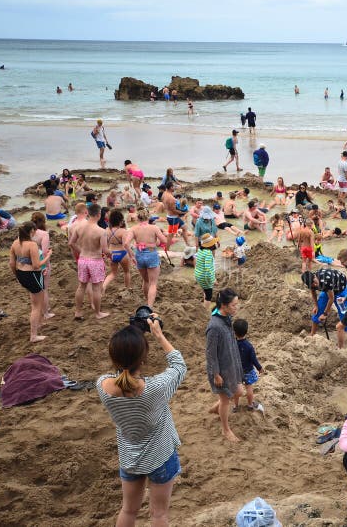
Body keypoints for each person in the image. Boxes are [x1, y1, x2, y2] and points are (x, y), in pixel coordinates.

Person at [97, 319, 186, 527]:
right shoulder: (155, 388)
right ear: (144, 359)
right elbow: (179, 365)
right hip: (161, 456)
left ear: (113, 358)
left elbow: (119, 378)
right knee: (159, 515)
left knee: (128, 510)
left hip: (130, 457)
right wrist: (159, 335)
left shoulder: (102, 385)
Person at [206, 288, 244, 442]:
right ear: (224, 305)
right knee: (225, 400)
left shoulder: (227, 318)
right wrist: (216, 374)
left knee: (239, 391)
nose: (236, 307)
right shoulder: (214, 327)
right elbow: (210, 354)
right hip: (220, 370)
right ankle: (225, 430)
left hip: (230, 365)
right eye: (234, 305)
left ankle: (216, 408)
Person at [9, 222, 52, 343]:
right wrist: (48, 256)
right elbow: (36, 265)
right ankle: (33, 335)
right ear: (32, 231)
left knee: (34, 302)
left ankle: (38, 324)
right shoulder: (32, 245)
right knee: (37, 306)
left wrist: (17, 276)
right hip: (32, 275)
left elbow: (12, 263)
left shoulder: (15, 243)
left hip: (21, 274)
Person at [69, 203, 110, 320]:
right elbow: (105, 250)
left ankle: (78, 312)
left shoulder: (78, 227)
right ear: (99, 214)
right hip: (95, 260)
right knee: (96, 288)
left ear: (89, 213)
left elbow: (71, 243)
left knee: (81, 287)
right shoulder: (101, 231)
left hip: (82, 259)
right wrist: (112, 254)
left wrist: (81, 251)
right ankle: (98, 313)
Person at [127, 209, 167, 307]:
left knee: (145, 281)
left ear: (138, 218)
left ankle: (147, 300)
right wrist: (157, 240)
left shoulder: (133, 229)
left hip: (139, 255)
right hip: (151, 254)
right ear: (148, 217)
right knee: (153, 283)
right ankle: (150, 306)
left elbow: (125, 243)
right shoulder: (154, 227)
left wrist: (131, 255)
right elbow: (164, 241)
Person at [301, 268, 347, 336]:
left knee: (344, 313)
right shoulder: (310, 282)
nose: (315, 285)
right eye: (312, 284)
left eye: (315, 282)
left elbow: (331, 298)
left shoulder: (326, 280)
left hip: (340, 290)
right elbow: (313, 293)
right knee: (318, 309)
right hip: (327, 290)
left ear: (314, 276)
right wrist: (316, 306)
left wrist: (325, 314)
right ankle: (312, 334)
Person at [233, 319, 264, 411]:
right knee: (249, 388)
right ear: (246, 331)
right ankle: (250, 405)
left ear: (234, 331)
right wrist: (259, 368)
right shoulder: (249, 346)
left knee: (236, 389)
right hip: (248, 371)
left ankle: (235, 406)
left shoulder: (232, 344)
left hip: (236, 371)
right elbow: (253, 359)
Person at [30, 212, 55, 319]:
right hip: (41, 263)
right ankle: (45, 313)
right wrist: (46, 265)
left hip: (29, 264)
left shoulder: (26, 232)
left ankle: (37, 309)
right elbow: (44, 252)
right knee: (44, 289)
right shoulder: (44, 234)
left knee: (34, 290)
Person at [102, 210, 133, 294]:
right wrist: (131, 255)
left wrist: (105, 254)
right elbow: (125, 245)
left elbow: (106, 244)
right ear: (120, 220)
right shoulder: (123, 231)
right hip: (122, 253)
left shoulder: (106, 230)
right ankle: (127, 288)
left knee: (112, 273)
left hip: (111, 253)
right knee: (126, 272)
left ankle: (103, 286)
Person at [194, 207, 218, 305]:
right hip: (204, 243)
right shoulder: (199, 222)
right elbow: (196, 234)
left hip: (210, 242)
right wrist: (196, 246)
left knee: (211, 261)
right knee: (207, 262)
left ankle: (210, 281)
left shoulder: (212, 220)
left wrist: (217, 240)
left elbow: (215, 230)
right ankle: (206, 301)